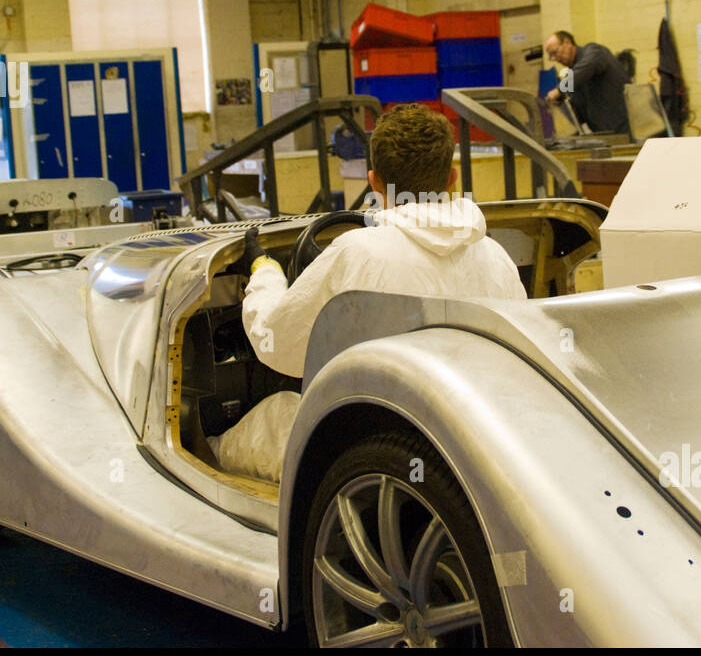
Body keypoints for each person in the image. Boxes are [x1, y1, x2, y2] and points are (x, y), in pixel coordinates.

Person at [209, 103, 529, 481]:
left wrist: (264, 274)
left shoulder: (356, 252)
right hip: (483, 444)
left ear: (374, 182)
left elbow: (277, 347)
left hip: (374, 451)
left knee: (250, 428)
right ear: (452, 178)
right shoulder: (495, 255)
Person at [543, 30, 631, 136]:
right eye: (550, 56)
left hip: (625, 129)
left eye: (554, 52)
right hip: (604, 135)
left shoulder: (594, 52)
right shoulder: (573, 75)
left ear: (567, 42)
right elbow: (577, 111)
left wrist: (560, 90)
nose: (554, 58)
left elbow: (588, 66)